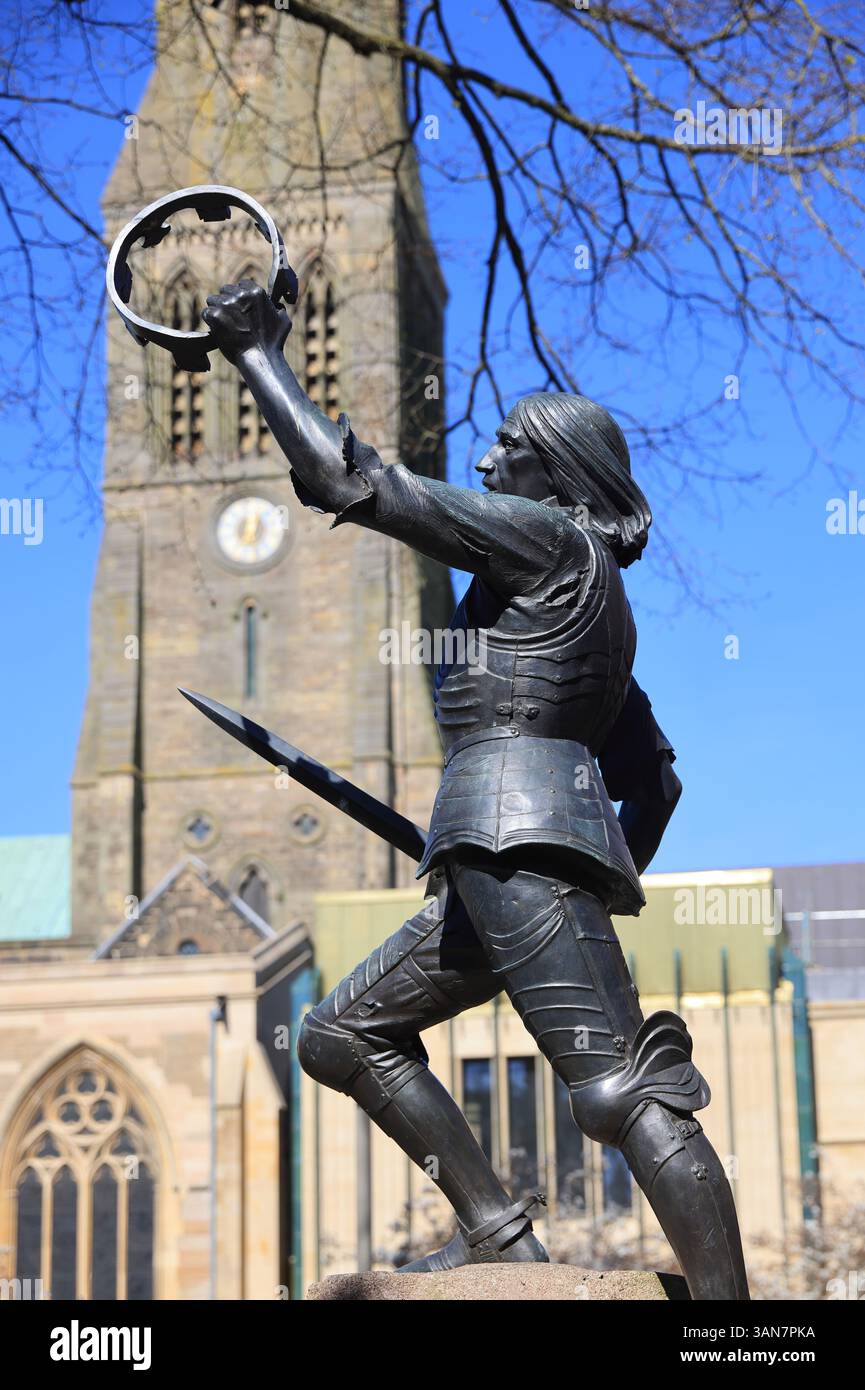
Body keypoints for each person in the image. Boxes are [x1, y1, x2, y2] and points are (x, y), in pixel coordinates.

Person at [202, 280, 749, 1298]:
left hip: (512, 863)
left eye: (510, 448)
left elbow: (345, 481)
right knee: (338, 1033)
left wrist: (254, 355)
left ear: (558, 476)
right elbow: (657, 783)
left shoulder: (546, 541)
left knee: (621, 1088)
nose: (489, 461)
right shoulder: (587, 603)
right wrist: (577, 855)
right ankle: (499, 1233)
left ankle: (735, 1328)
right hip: (499, 870)